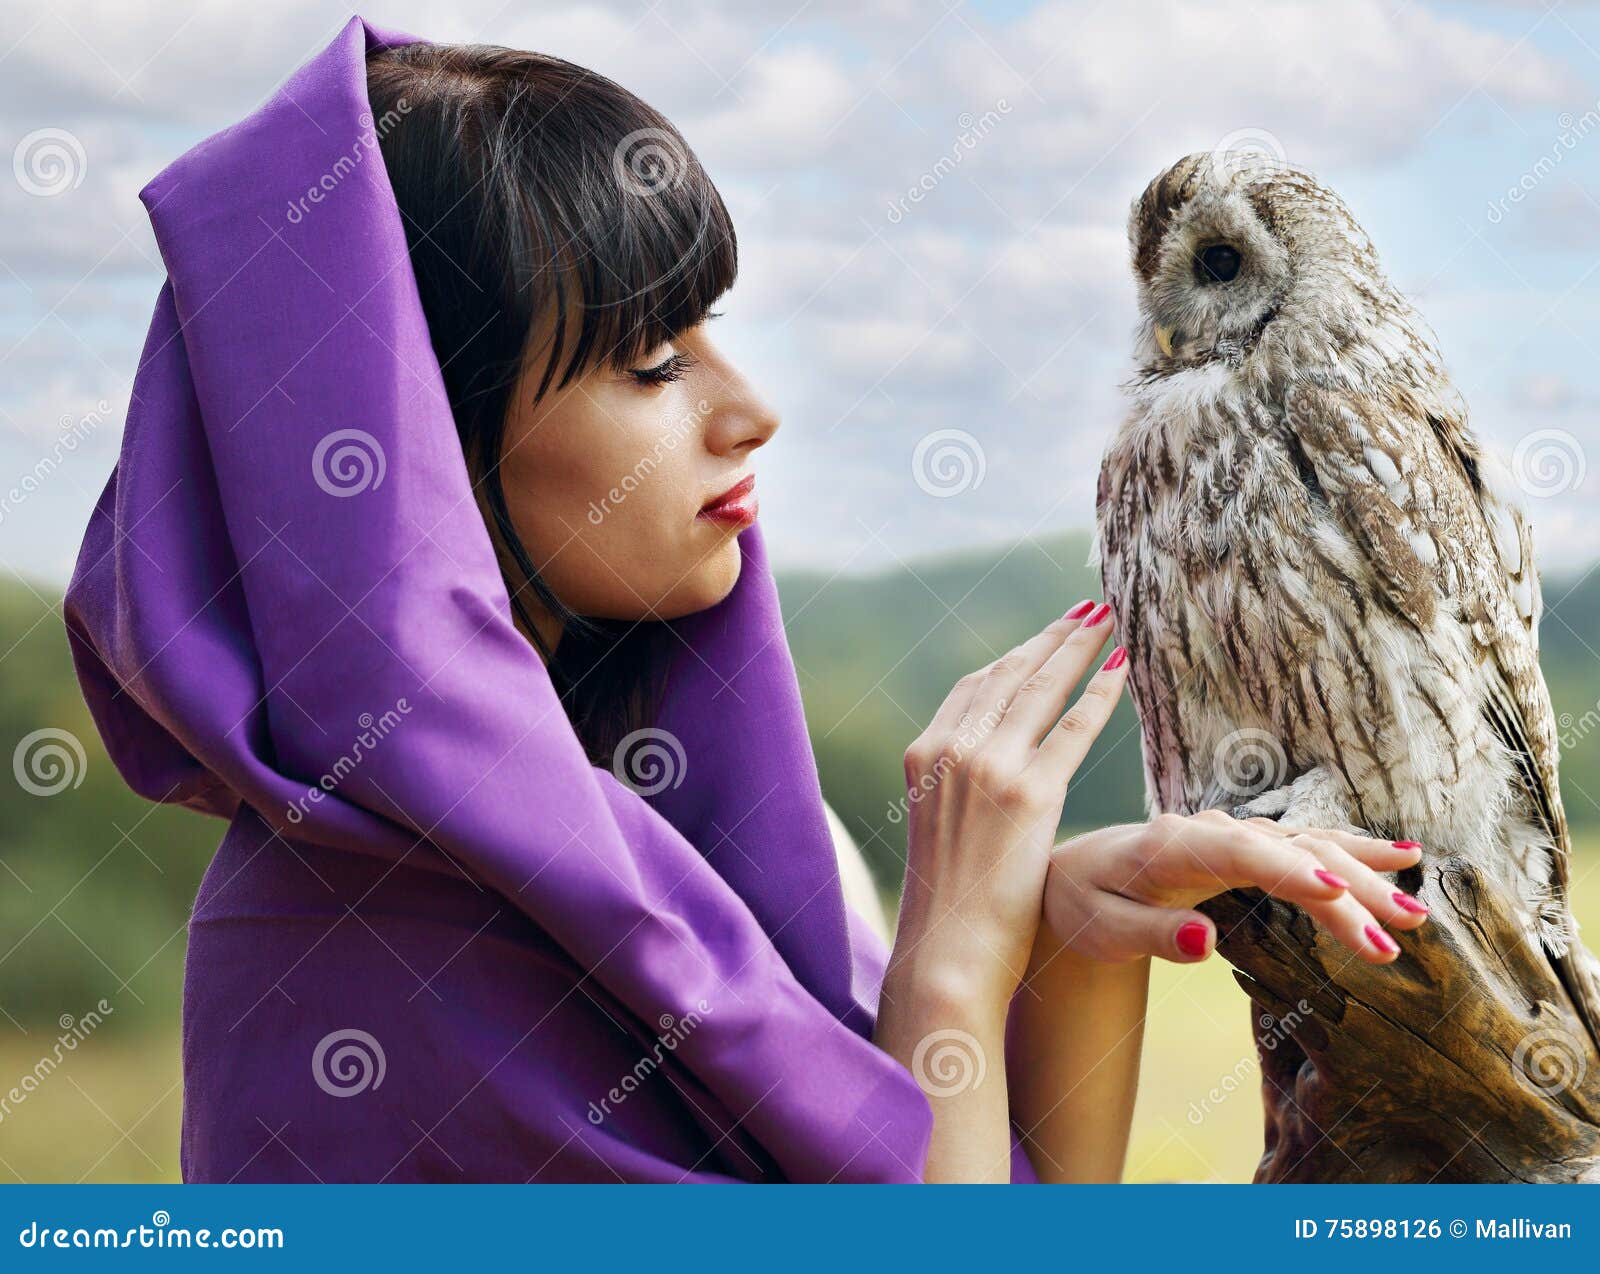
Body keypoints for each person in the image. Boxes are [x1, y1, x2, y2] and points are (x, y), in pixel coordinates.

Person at [65, 19, 1427, 1184]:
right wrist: (950, 962)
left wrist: (1057, 937)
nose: (751, 410)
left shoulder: (700, 847)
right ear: (412, 447)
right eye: (653, 361)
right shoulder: (355, 950)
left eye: (713, 329)